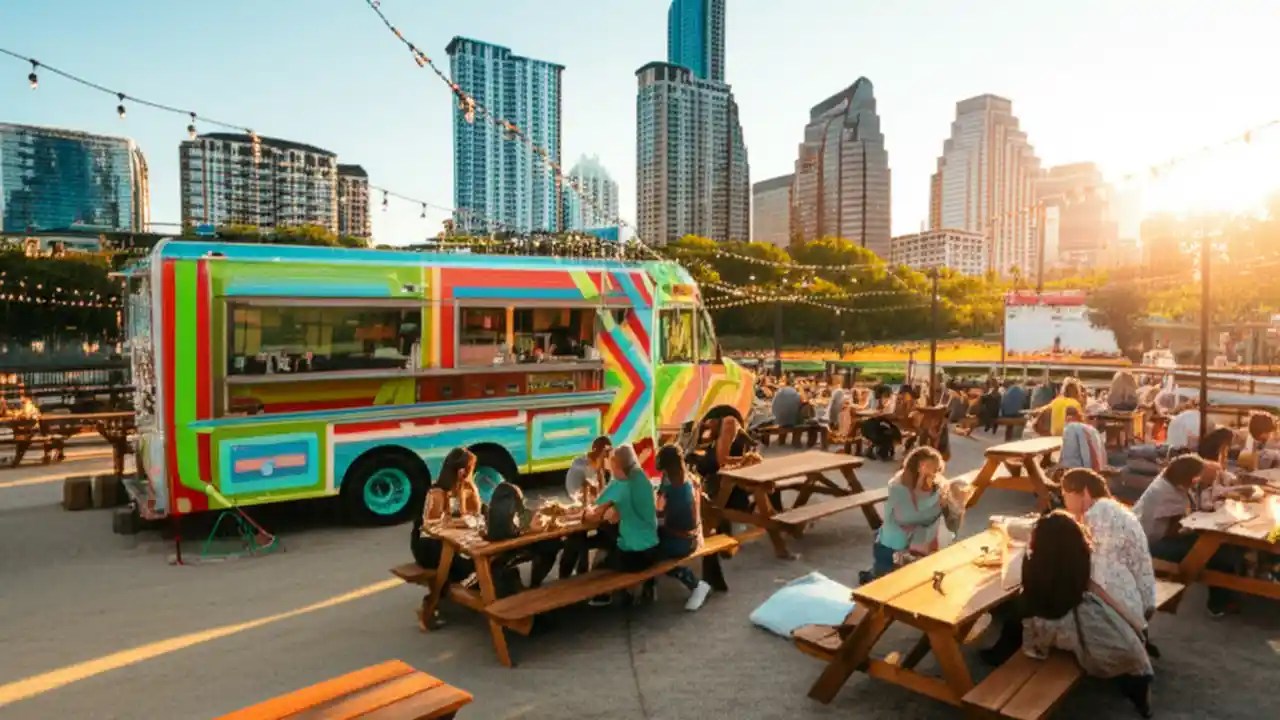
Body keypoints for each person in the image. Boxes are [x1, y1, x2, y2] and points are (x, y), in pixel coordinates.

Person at [1021, 512, 1154, 717]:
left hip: (1051, 624)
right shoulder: (1080, 558)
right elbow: (1093, 587)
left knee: (1017, 611)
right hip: (1078, 616)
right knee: (1117, 641)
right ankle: (1138, 695)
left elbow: (1029, 599)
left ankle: (999, 655)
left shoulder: (1032, 562)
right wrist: (1132, 621)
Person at [1133, 454, 1240, 616]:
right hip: (1153, 543)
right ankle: (1218, 603)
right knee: (1215, 552)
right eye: (1197, 477)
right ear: (1188, 476)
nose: (1198, 480)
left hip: (1155, 536)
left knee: (1217, 546)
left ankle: (1223, 598)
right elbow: (1173, 531)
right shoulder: (1167, 492)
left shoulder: (1168, 481)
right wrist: (1199, 526)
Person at [587, 444, 659, 604]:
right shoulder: (643, 478)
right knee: (613, 539)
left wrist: (586, 512)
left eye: (614, 467)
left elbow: (593, 515)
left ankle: (603, 597)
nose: (612, 471)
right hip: (653, 549)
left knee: (600, 563)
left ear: (620, 467)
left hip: (635, 557)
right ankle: (648, 586)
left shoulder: (621, 487)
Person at [410, 448, 480, 606]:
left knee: (483, 558)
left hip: (455, 541)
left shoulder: (466, 489)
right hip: (429, 544)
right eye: (471, 469)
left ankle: (461, 589)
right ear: (462, 471)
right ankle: (439, 597)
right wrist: (459, 523)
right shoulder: (437, 492)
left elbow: (476, 514)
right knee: (469, 564)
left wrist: (471, 490)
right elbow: (430, 524)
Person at [869, 447, 950, 579]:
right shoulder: (898, 486)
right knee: (885, 583)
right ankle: (873, 573)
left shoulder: (935, 486)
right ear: (916, 467)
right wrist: (938, 507)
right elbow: (907, 517)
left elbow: (949, 517)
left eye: (936, 469)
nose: (934, 474)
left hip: (918, 546)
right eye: (929, 468)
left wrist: (950, 499)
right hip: (892, 546)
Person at [654, 445, 714, 610]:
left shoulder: (672, 489)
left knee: (648, 552)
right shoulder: (690, 479)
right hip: (694, 536)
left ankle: (696, 584)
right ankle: (649, 589)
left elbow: (658, 513)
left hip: (681, 541)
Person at [860, 384, 902, 461]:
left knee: (888, 431)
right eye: (885, 395)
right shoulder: (875, 401)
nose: (887, 397)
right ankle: (880, 452)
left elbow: (889, 414)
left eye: (887, 395)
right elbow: (873, 413)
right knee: (881, 430)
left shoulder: (889, 402)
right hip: (873, 423)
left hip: (882, 423)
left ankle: (880, 451)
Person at [1060, 406, 1107, 471]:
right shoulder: (1092, 430)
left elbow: (1084, 454)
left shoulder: (1071, 428)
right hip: (1097, 469)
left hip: (1079, 471)